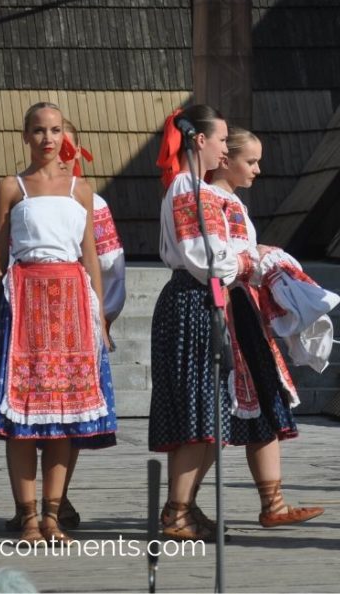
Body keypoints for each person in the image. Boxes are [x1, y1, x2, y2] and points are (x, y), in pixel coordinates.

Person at [0, 102, 117, 544]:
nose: (48, 139)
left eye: (55, 130)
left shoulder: (82, 189)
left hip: (72, 305)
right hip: (24, 304)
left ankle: (54, 514)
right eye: (38, 131)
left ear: (65, 136)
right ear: (25, 136)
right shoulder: (11, 187)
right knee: (21, 419)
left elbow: (90, 255)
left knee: (66, 415)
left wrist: (99, 317)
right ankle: (29, 516)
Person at [204, 125, 324, 528]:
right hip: (229, 308)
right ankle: (180, 503)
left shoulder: (233, 203)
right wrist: (255, 256)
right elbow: (223, 258)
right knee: (222, 411)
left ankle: (273, 503)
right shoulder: (214, 200)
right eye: (250, 161)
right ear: (227, 159)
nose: (256, 170)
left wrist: (257, 252)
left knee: (265, 405)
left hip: (245, 307)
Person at [147, 104, 237, 541]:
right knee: (197, 414)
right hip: (192, 301)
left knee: (209, 413)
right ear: (199, 140)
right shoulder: (188, 190)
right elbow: (206, 260)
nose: (226, 148)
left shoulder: (194, 188)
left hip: (202, 300)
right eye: (221, 139)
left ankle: (184, 504)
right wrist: (241, 261)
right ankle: (176, 509)